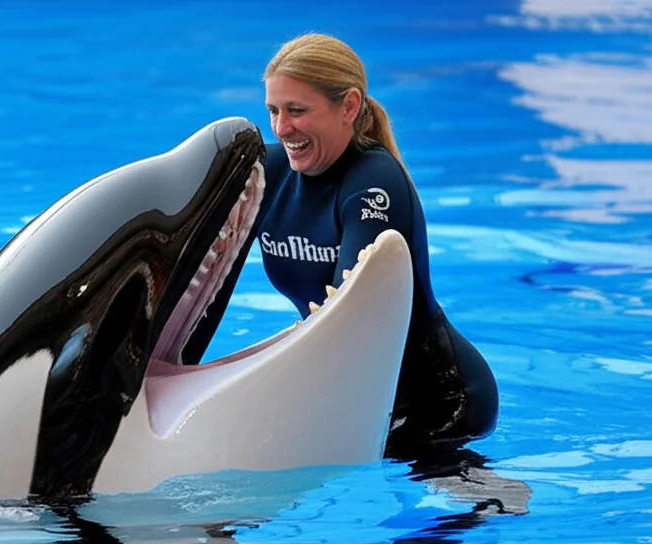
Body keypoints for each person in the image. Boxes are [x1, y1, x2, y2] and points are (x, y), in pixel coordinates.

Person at [186, 33, 499, 458]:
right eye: (274, 111)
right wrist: (172, 376)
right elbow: (208, 291)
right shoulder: (269, 173)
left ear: (349, 106)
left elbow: (348, 323)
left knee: (426, 521)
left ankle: (487, 496)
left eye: (297, 111)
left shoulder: (374, 182)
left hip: (436, 403)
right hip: (351, 391)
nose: (282, 128)